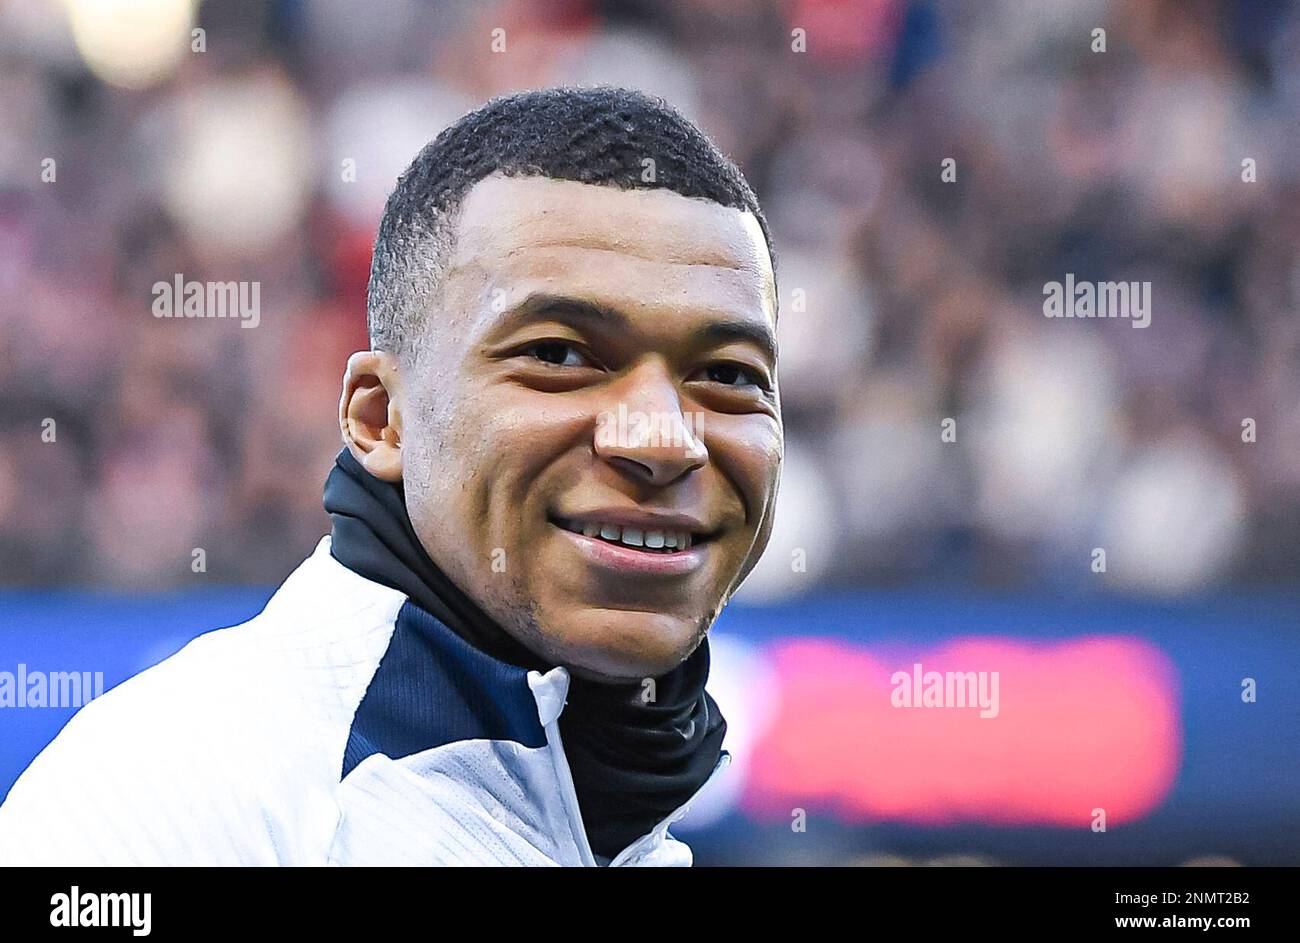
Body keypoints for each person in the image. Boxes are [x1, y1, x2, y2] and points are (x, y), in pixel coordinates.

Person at [0, 86, 783, 866]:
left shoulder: (623, 821)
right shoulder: (178, 803)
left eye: (727, 373)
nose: (663, 440)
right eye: (559, 356)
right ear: (380, 419)